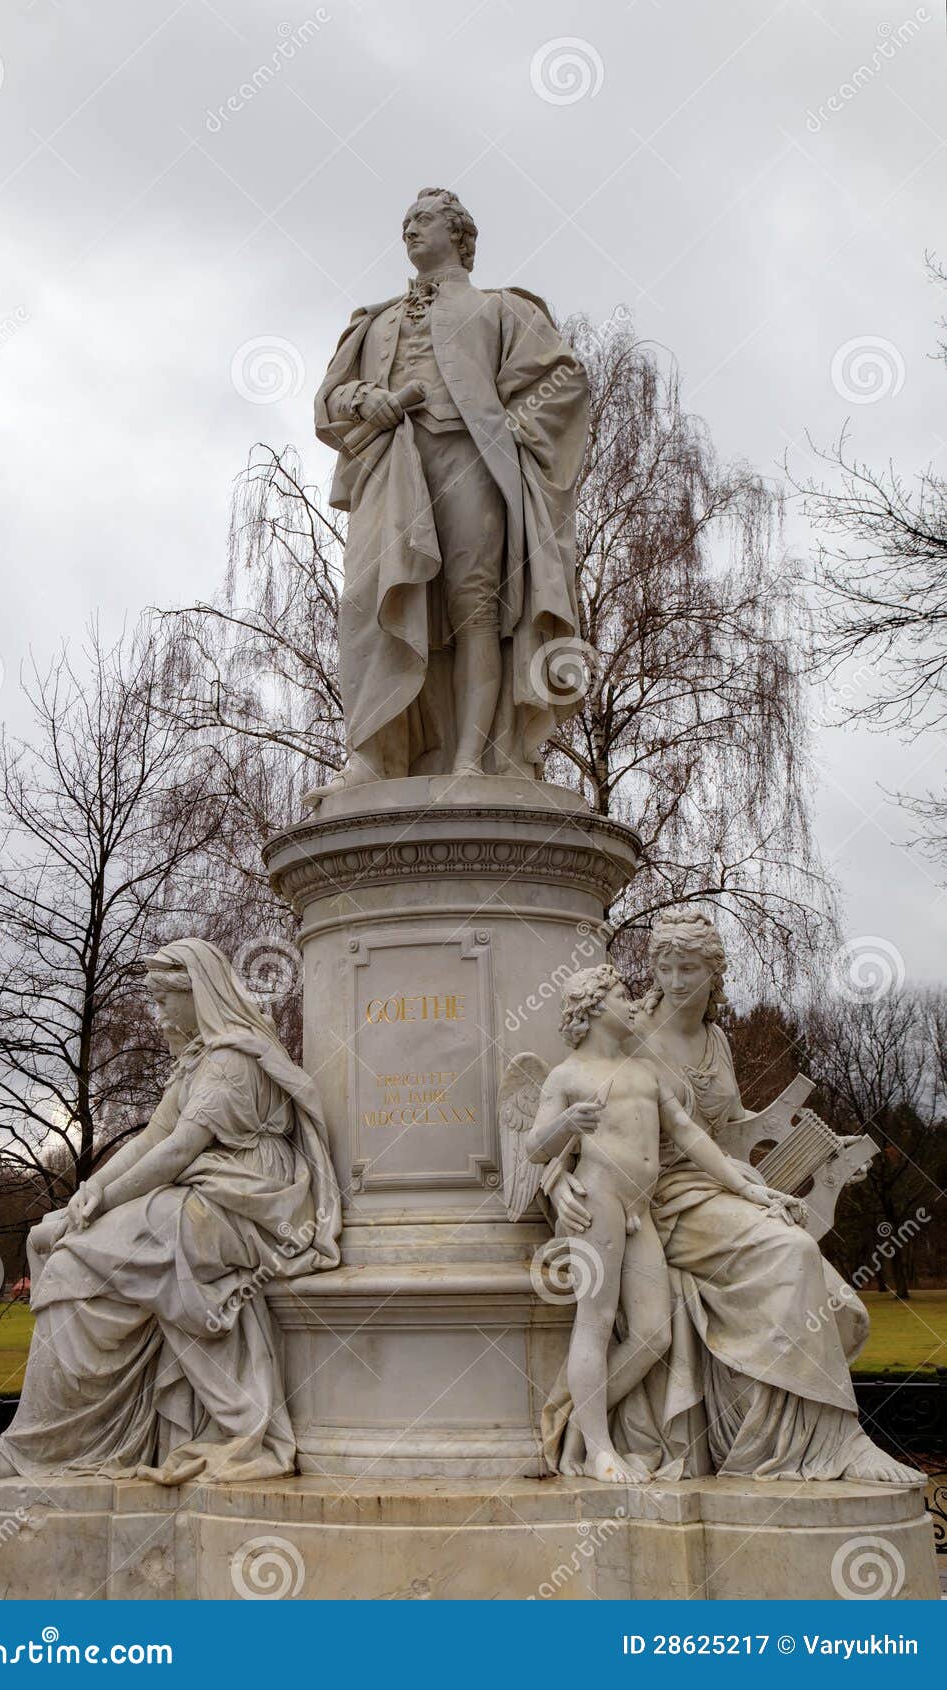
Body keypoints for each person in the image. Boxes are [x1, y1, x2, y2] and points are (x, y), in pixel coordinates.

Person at [544, 911, 923, 1485]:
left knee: (799, 1253)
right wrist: (556, 1178)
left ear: (713, 973)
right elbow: (579, 1113)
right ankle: (833, 1441)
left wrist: (810, 1156)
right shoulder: (630, 1030)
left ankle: (818, 1437)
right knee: (791, 1254)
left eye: (688, 968)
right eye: (664, 967)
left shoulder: (716, 1040)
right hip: (661, 1201)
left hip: (713, 1182)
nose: (673, 980)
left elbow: (721, 1129)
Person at [0, 940, 340, 1487]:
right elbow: (155, 1136)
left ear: (195, 993)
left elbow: (179, 1150)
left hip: (246, 1203)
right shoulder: (200, 1059)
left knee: (75, 1256)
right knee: (60, 1247)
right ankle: (48, 1439)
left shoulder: (232, 1060)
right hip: (211, 1193)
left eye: (161, 1001)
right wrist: (89, 1190)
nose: (156, 1015)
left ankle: (40, 1446)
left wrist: (104, 1204)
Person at [311, 186, 589, 794]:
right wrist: (367, 399)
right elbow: (328, 402)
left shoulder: (502, 309)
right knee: (370, 601)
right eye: (405, 220)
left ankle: (475, 759)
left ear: (459, 235)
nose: (409, 229)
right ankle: (375, 755)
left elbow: (563, 380)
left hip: (472, 462)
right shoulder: (374, 321)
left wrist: (508, 435)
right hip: (393, 468)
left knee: (477, 611)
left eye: (423, 219)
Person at [526, 964, 798, 1482]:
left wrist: (746, 1187)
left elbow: (692, 1137)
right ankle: (602, 1449)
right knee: (596, 1322)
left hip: (637, 1211)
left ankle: (580, 1433)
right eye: (621, 994)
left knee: (653, 1334)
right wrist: (567, 1124)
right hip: (597, 1206)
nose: (633, 1002)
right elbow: (535, 1148)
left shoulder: (643, 1072)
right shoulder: (567, 1076)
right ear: (594, 1006)